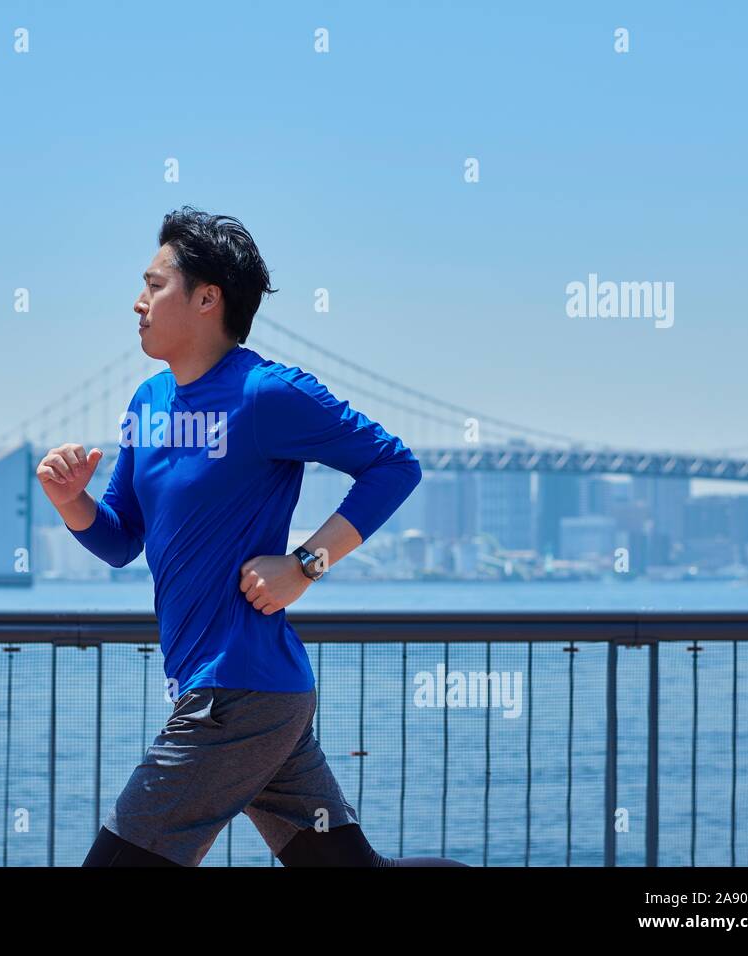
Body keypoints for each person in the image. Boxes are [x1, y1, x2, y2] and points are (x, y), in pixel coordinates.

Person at [37, 206, 467, 868]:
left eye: (154, 285)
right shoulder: (146, 403)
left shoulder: (266, 393)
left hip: (234, 696)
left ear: (207, 298)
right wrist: (72, 504)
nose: (137, 302)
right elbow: (122, 539)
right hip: (254, 693)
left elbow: (393, 464)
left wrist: (306, 564)